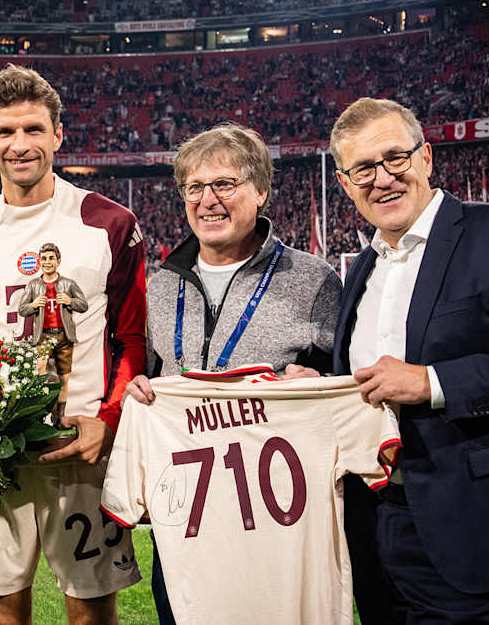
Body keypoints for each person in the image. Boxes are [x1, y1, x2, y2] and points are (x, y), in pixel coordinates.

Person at [329, 97, 489, 624]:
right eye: (363, 169)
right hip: (373, 528)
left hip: (470, 526)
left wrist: (432, 382)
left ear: (425, 157)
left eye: (394, 158)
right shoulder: (360, 268)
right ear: (344, 183)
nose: (381, 179)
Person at [0, 64, 147, 625]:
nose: (19, 144)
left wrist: (110, 417)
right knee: (1, 611)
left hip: (82, 450)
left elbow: (131, 338)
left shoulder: (109, 224)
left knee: (92, 612)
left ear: (58, 134)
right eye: (5, 132)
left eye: (33, 129)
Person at [123, 122, 342, 624]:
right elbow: (154, 382)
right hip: (184, 525)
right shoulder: (160, 287)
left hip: (278, 524)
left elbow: (349, 389)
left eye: (224, 184)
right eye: (194, 188)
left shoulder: (314, 281)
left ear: (261, 190)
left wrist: (322, 386)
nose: (208, 200)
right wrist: (141, 391)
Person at [16, 241, 88, 420]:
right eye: (44, 258)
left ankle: (60, 417)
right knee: (41, 373)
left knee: (64, 377)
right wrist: (33, 305)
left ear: (59, 261)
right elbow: (22, 309)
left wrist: (70, 301)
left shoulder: (68, 284)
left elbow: (84, 305)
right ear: (39, 261)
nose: (47, 262)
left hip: (63, 336)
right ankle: (41, 415)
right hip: (43, 336)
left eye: (51, 258)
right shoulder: (33, 285)